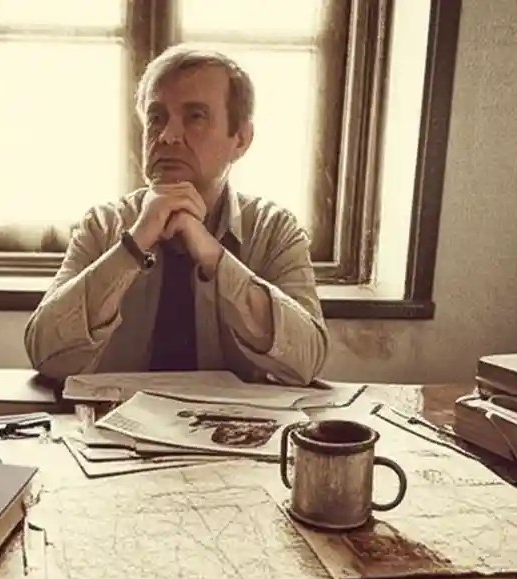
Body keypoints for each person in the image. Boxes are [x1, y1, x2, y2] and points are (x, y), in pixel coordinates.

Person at [23, 44, 329, 386]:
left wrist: (214, 258)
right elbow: (45, 353)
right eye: (156, 118)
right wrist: (133, 246)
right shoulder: (102, 226)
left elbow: (307, 360)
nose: (167, 136)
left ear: (241, 139)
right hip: (115, 420)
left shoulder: (274, 231)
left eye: (195, 117)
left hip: (232, 422)